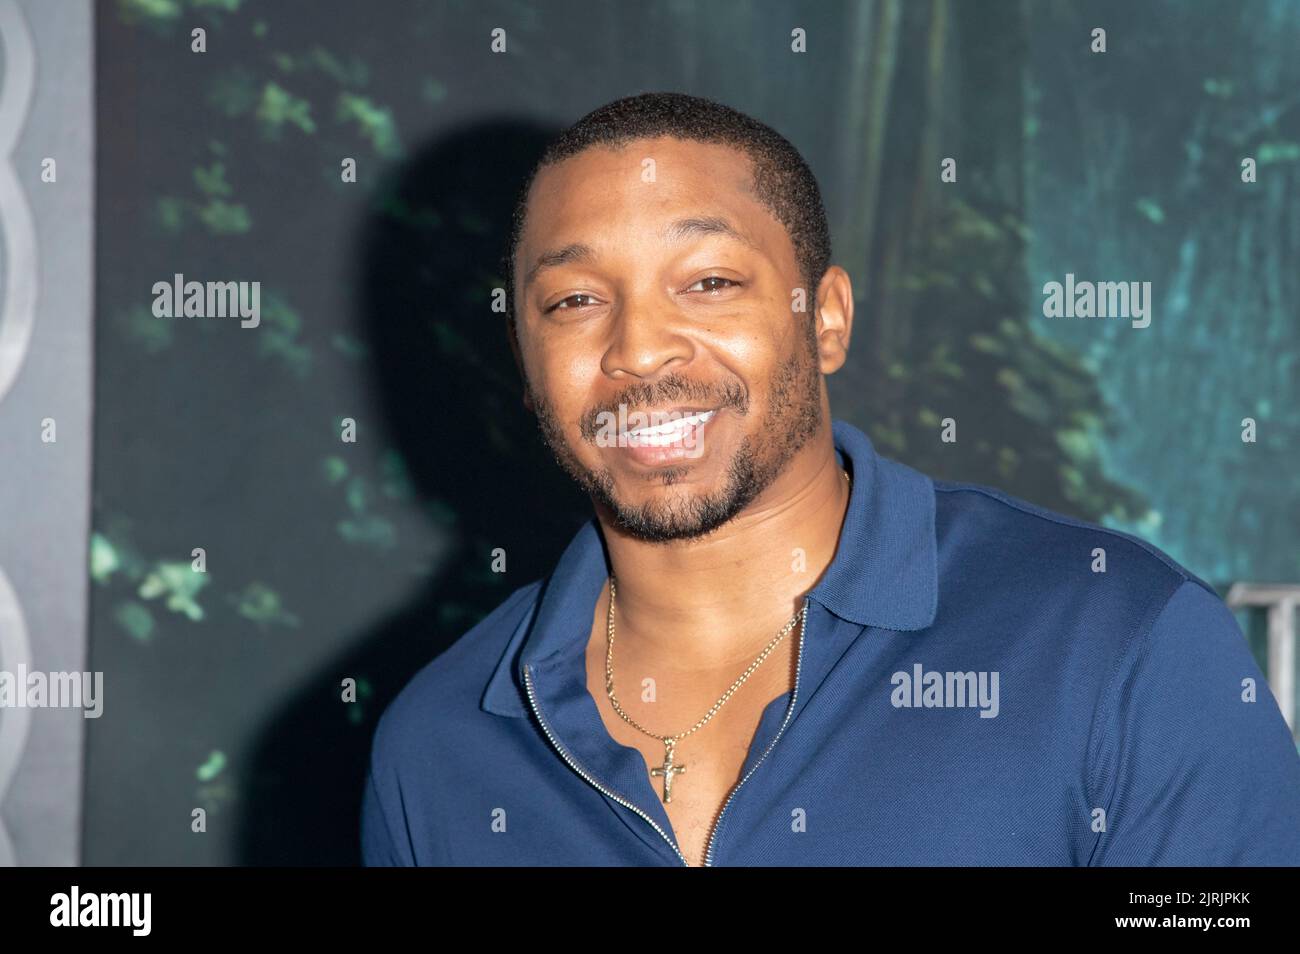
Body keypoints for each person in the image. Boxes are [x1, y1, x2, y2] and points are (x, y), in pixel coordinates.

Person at [362, 91, 1300, 866]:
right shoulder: (440, 744)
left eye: (709, 282)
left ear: (827, 320)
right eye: (574, 301)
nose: (639, 348)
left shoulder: (1119, 644)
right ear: (525, 366)